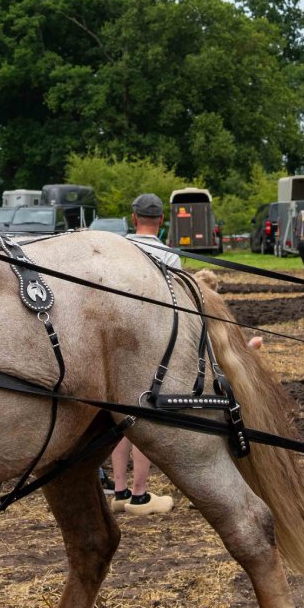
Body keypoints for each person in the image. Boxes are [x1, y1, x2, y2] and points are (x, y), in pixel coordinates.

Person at [111, 192, 176, 516]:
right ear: (161, 221)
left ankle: (119, 490)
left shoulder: (118, 250)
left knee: (119, 418)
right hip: (153, 343)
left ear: (133, 218)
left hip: (117, 342)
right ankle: (140, 494)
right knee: (143, 417)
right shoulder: (170, 256)